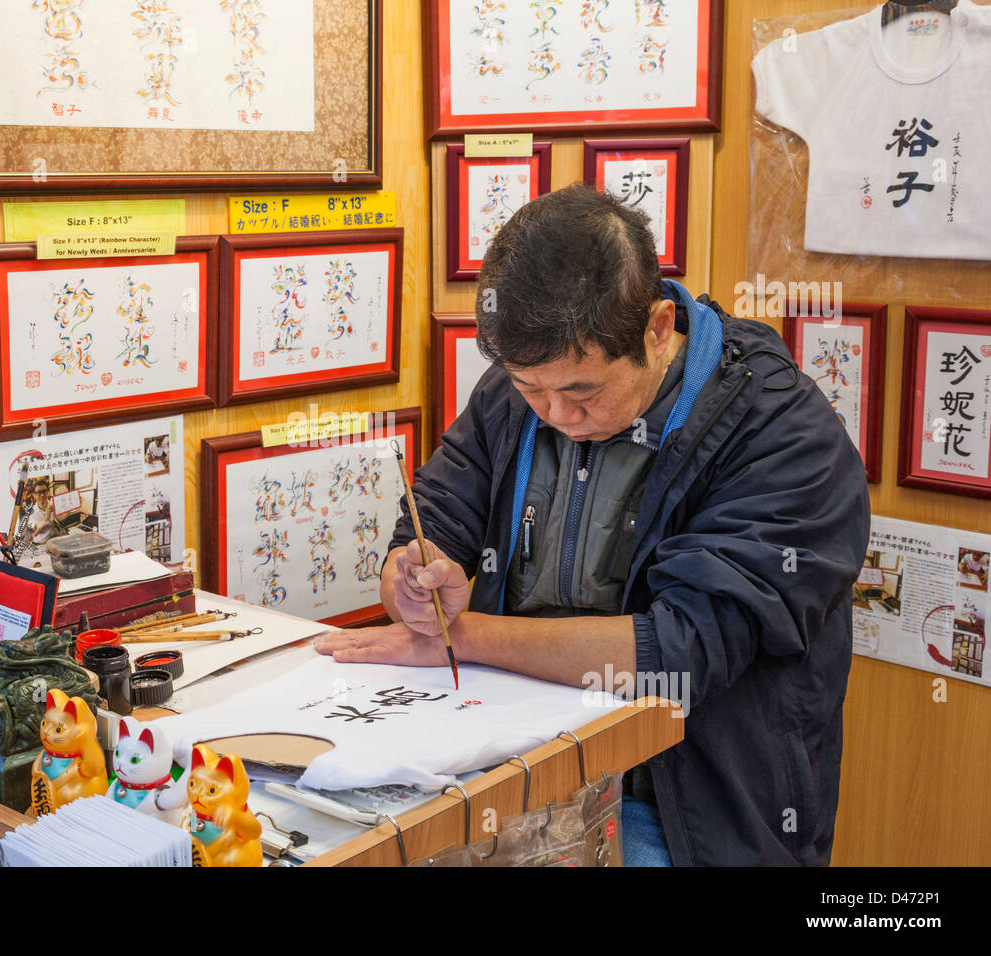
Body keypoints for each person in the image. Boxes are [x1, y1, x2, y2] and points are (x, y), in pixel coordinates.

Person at [315, 184, 871, 866]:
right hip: (512, 764)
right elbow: (439, 507)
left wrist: (461, 637)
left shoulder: (780, 429)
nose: (552, 413)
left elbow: (680, 649)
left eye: (581, 393)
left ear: (658, 326)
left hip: (682, 805)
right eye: (530, 389)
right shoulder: (520, 388)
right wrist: (416, 568)